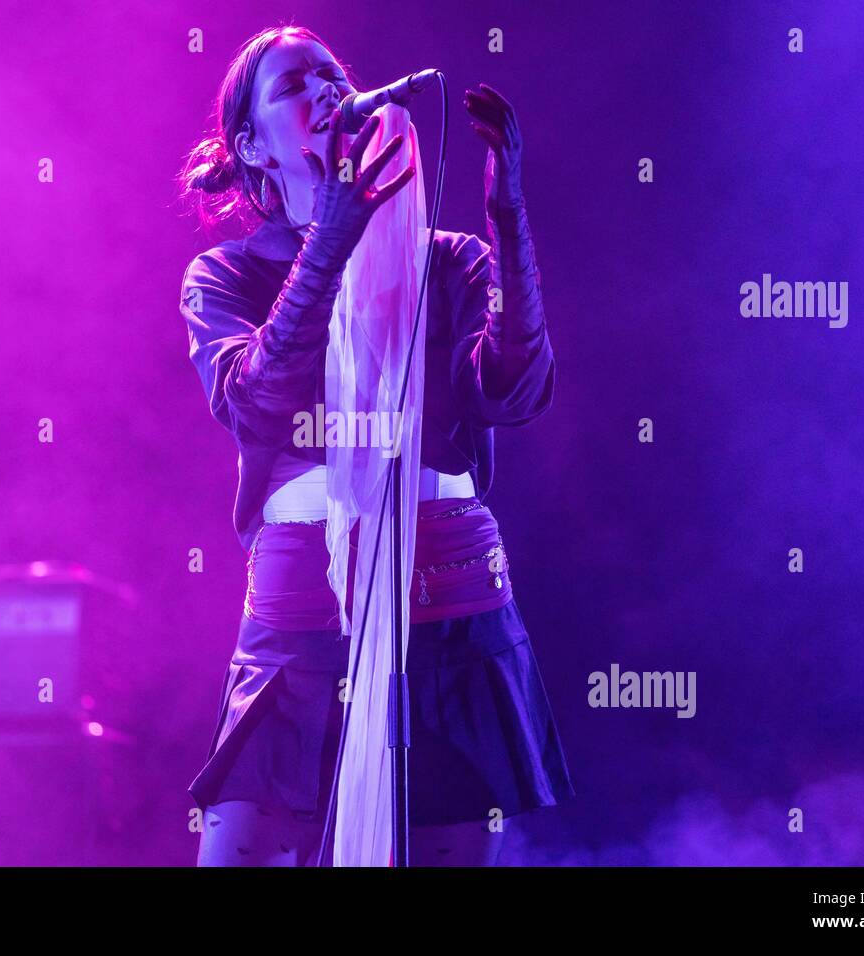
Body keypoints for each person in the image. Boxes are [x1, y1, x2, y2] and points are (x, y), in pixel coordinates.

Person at [176, 24, 574, 866]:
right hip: (301, 605)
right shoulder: (224, 277)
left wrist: (508, 217)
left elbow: (517, 390)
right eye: (293, 85)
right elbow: (254, 396)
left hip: (449, 598)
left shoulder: (448, 261)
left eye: (330, 73)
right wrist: (329, 235)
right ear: (251, 146)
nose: (323, 88)